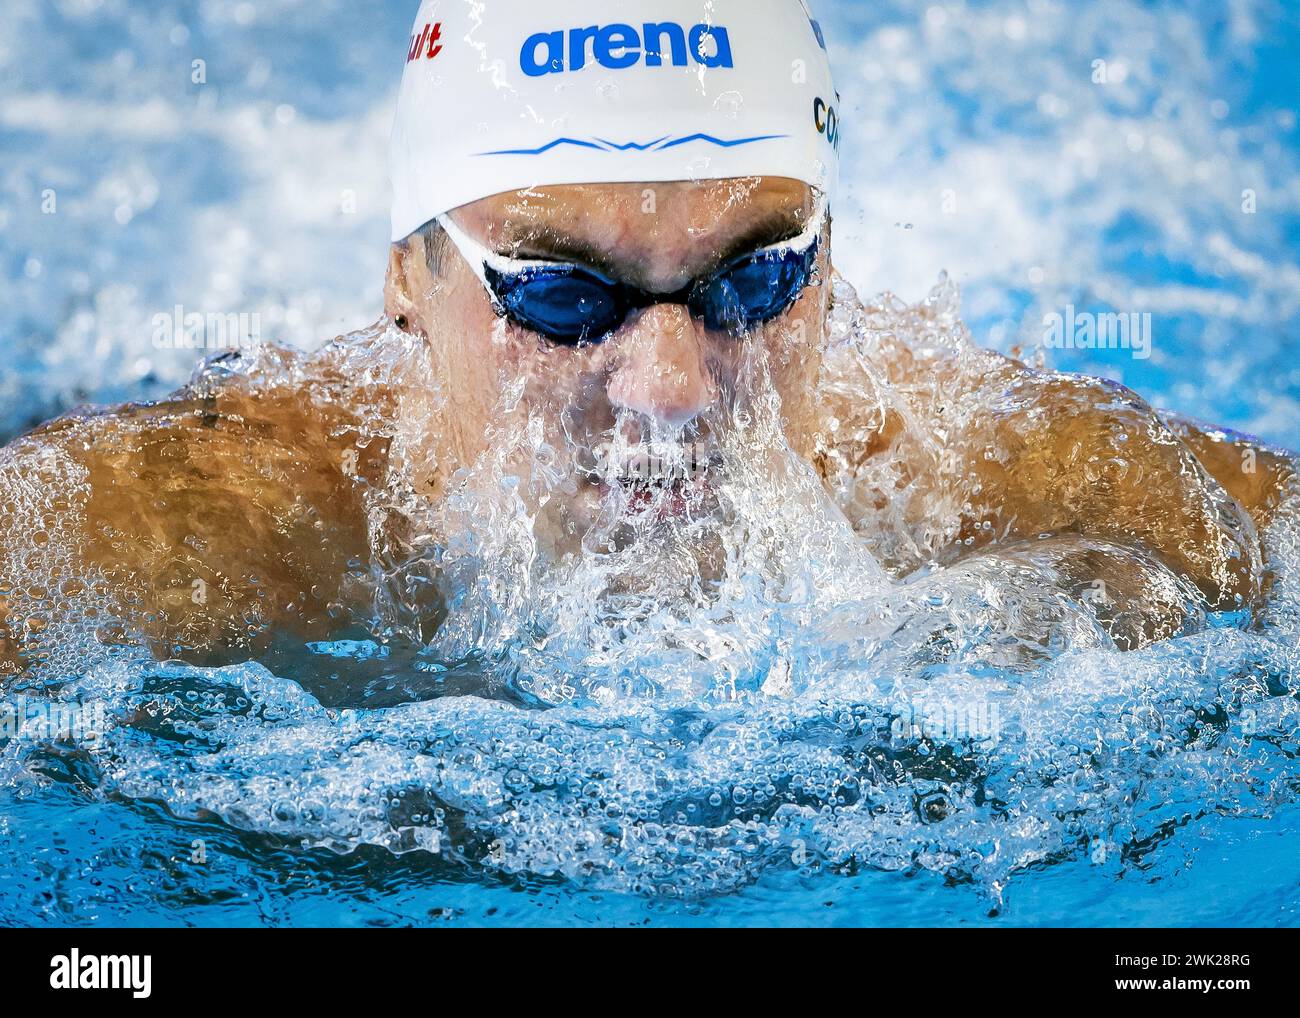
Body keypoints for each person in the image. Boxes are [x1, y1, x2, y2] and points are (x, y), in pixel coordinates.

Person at [0, 0, 1294, 679]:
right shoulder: (216, 530)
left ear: (834, 268)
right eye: (564, 296)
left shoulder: (953, 471)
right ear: (408, 275)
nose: (673, 388)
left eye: (755, 279)